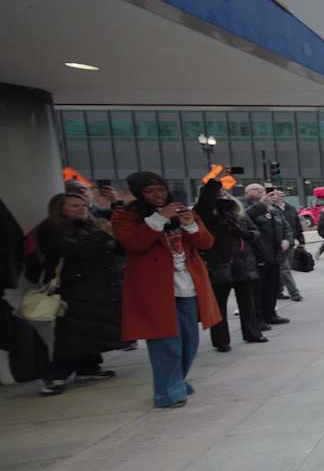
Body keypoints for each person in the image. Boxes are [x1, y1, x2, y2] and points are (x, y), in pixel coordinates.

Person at [111, 173, 221, 409]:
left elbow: (207, 243)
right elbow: (132, 243)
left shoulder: (182, 210)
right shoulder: (125, 215)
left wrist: (190, 224)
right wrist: (158, 218)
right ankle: (167, 392)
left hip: (188, 286)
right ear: (139, 193)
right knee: (165, 343)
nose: (157, 195)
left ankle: (176, 381)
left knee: (189, 342)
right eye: (150, 191)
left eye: (160, 189)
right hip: (155, 289)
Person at [33, 193, 122, 395]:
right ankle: (55, 376)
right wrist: (103, 234)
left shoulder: (89, 225)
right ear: (60, 209)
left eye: (83, 205)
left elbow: (112, 249)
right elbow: (71, 250)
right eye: (74, 206)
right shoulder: (53, 228)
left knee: (92, 330)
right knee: (72, 334)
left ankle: (88, 367)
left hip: (99, 287)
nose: (81, 208)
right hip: (75, 288)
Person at [194, 180, 267, 352]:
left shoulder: (237, 212)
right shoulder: (206, 214)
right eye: (218, 194)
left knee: (247, 302)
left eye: (224, 193)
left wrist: (248, 234)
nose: (223, 195)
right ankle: (221, 340)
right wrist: (215, 181)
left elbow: (255, 231)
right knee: (219, 305)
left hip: (243, 261)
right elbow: (204, 206)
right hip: (220, 262)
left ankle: (252, 332)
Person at [245, 185, 290, 326]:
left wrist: (287, 239)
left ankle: (270, 314)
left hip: (275, 255)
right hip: (258, 256)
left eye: (261, 189)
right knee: (258, 290)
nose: (259, 191)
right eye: (255, 189)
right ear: (246, 193)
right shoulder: (246, 207)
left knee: (273, 287)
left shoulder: (274, 209)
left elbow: (286, 226)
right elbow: (244, 219)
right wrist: (261, 204)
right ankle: (258, 319)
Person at [276, 190, 305, 302]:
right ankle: (294, 292)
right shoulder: (270, 209)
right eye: (276, 194)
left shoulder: (290, 208)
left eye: (281, 194)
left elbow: (297, 224)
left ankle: (278, 291)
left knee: (285, 269)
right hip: (278, 244)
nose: (279, 196)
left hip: (290, 243)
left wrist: (301, 240)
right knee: (285, 269)